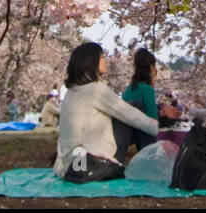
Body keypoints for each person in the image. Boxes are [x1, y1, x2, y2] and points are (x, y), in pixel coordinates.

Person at [54, 43, 158, 182]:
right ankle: (150, 166)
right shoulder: (95, 89)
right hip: (93, 161)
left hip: (70, 165)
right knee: (135, 107)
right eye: (102, 57)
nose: (105, 60)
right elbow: (128, 113)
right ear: (91, 62)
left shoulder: (72, 91)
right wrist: (153, 126)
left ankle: (148, 162)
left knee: (126, 115)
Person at [118, 48, 159, 154]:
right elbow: (153, 124)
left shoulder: (129, 88)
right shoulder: (147, 89)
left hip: (123, 139)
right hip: (139, 144)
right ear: (151, 68)